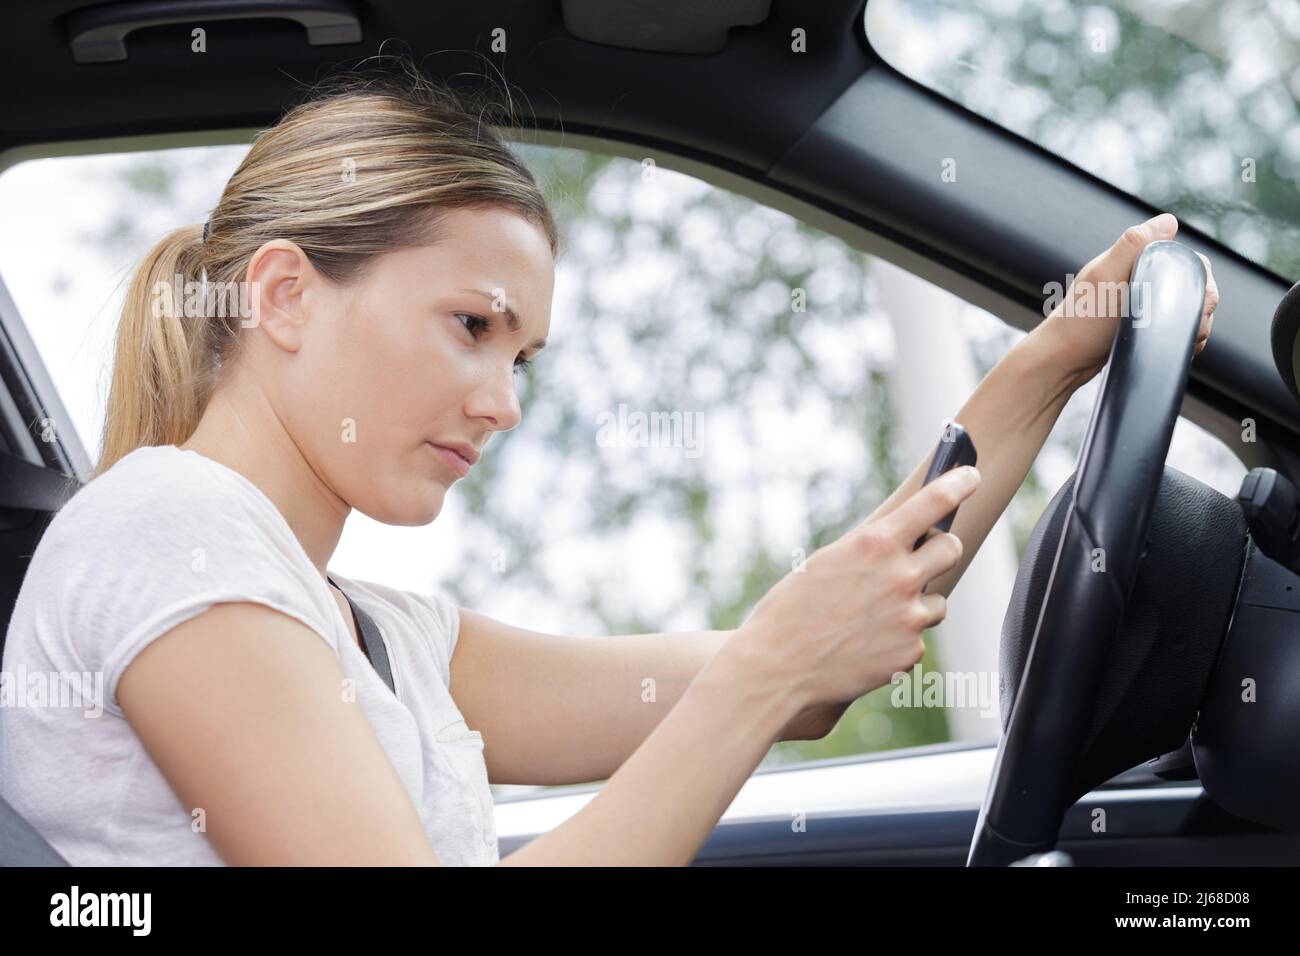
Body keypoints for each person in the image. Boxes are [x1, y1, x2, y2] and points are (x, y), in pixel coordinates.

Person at [0, 59, 1218, 866]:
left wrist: (1045, 368)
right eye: (472, 326)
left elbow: (797, 685)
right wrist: (759, 673)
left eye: (524, 355)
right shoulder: (170, 529)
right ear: (281, 294)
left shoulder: (383, 633)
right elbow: (758, 679)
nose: (503, 401)